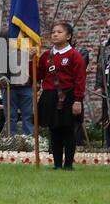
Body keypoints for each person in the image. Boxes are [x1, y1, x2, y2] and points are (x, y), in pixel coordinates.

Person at [37, 21, 87, 170]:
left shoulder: (74, 55)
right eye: (53, 32)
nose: (55, 34)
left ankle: (68, 164)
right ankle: (57, 164)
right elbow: (37, 75)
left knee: (68, 130)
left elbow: (80, 79)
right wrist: (31, 59)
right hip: (49, 96)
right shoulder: (46, 55)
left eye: (59, 32)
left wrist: (78, 100)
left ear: (68, 36)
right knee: (54, 130)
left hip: (68, 96)